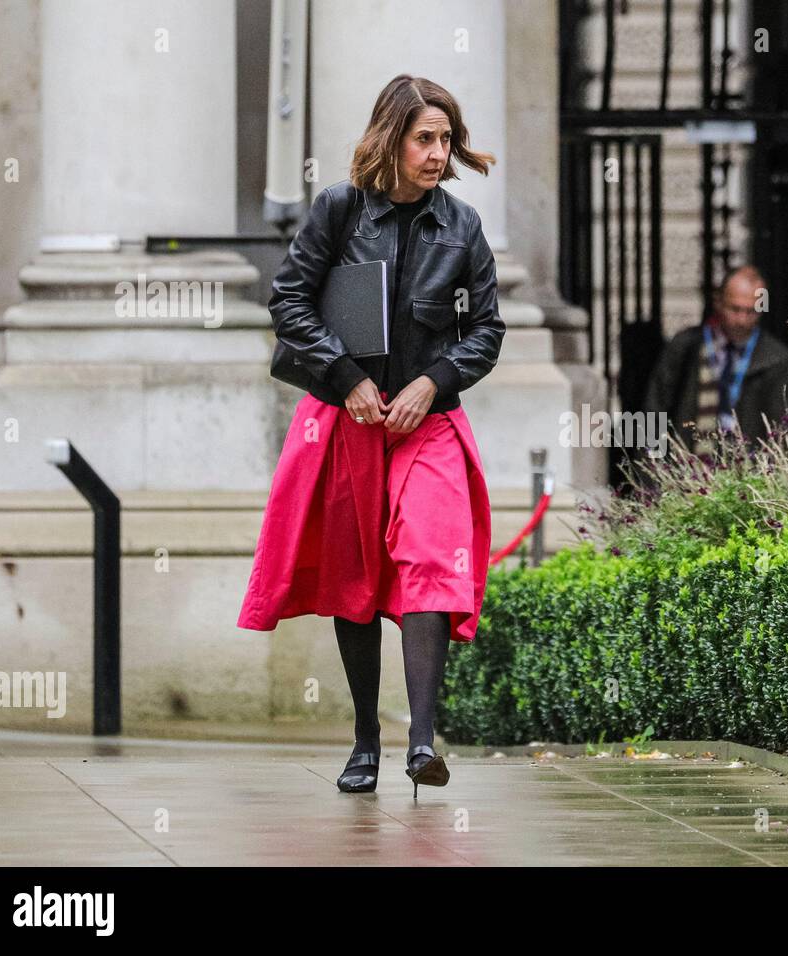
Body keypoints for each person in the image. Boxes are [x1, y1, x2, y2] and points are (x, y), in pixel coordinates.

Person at [236, 75, 505, 799]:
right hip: (348, 421)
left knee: (430, 558)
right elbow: (288, 299)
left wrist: (433, 381)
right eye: (425, 137)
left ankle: (422, 739)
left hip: (429, 423)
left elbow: (487, 330)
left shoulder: (462, 225)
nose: (437, 152)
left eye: (446, 139)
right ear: (392, 137)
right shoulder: (338, 210)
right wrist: (345, 376)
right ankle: (364, 740)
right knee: (352, 581)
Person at [643, 264, 788, 457]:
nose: (742, 320)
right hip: (688, 470)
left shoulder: (777, 359)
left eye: (751, 311)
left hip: (749, 477)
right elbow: (654, 412)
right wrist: (650, 473)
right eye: (735, 309)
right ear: (719, 302)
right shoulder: (686, 348)